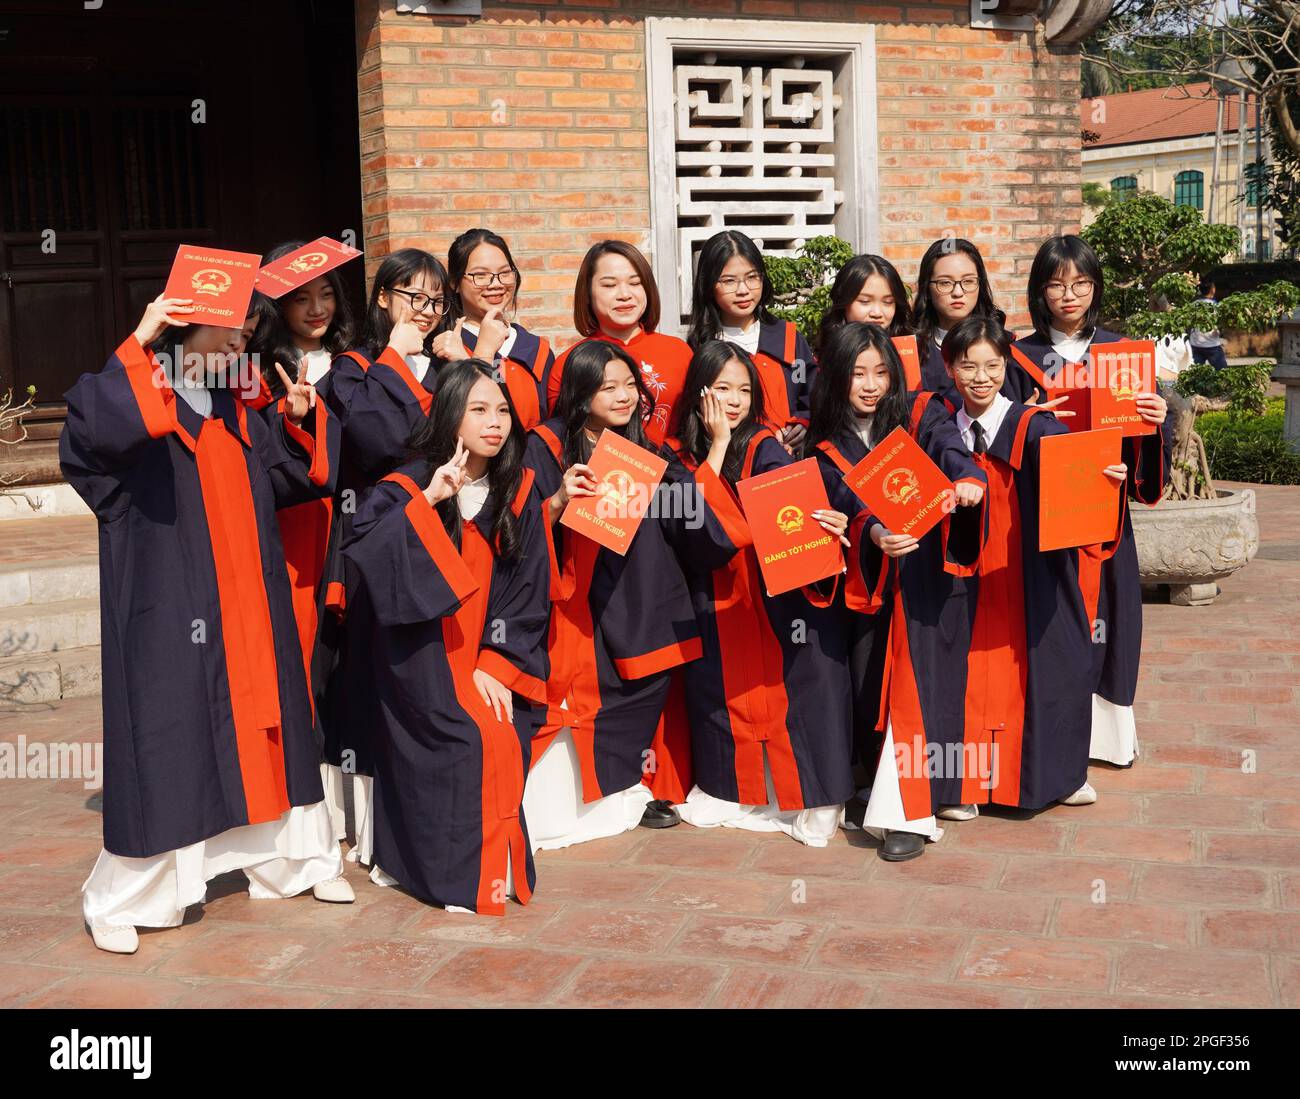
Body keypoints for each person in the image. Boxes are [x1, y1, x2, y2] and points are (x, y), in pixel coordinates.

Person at [61, 293, 354, 954]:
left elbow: (284, 482)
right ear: (180, 328)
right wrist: (139, 338)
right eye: (225, 328)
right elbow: (86, 443)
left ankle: (294, 862)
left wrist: (295, 421)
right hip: (170, 603)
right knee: (173, 742)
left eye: (244, 329)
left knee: (272, 732)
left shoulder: (232, 410)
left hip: (248, 605)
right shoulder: (142, 402)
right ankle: (122, 898)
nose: (238, 341)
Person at [862, 316, 1118, 861]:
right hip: (949, 571)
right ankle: (956, 785)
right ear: (948, 367)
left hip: (1022, 569)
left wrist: (1107, 480)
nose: (981, 377)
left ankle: (1047, 777)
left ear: (1007, 366)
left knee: (1038, 662)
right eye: (967, 365)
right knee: (949, 671)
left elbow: (1080, 491)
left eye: (993, 365)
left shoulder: (1034, 426)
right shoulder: (933, 424)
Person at [342, 360, 551, 914]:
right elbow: (366, 555)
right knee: (467, 740)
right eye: (478, 409)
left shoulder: (521, 488)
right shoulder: (408, 483)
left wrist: (498, 663)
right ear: (450, 414)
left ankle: (491, 869)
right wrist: (429, 500)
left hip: (488, 651)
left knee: (504, 734)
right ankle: (447, 876)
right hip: (422, 653)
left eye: (502, 409)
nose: (495, 421)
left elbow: (529, 587)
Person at [662, 340, 856, 846]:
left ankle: (812, 795)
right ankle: (735, 790)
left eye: (745, 390)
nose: (734, 400)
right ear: (698, 390)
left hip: (773, 596)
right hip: (715, 599)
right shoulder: (673, 453)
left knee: (799, 690)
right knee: (720, 696)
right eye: (722, 387)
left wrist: (823, 519)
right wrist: (718, 446)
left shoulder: (764, 446)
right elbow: (691, 528)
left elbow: (790, 500)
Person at [523, 339, 704, 846]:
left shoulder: (647, 449)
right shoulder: (547, 443)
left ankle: (629, 791)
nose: (624, 396)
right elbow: (517, 523)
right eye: (609, 387)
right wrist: (558, 501)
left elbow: (690, 520)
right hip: (567, 594)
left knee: (642, 683)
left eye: (630, 385)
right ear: (581, 392)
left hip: (634, 591)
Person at [1008, 234, 1170, 767]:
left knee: (1112, 625)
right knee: (1053, 629)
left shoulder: (1120, 354)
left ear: (1095, 287)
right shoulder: (1018, 358)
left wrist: (1152, 425)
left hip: (1106, 515)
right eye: (1055, 284)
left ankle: (1107, 740)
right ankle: (1055, 737)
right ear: (1040, 291)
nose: (1068, 295)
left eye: (1080, 283)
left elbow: (1143, 454)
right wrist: (1025, 416)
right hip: (1045, 518)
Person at [319, 248, 449, 866]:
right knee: (367, 673)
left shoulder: (448, 363)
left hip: (441, 527)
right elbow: (380, 438)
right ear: (383, 298)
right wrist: (397, 358)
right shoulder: (352, 368)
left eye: (435, 300)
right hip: (377, 531)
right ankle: (362, 827)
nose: (424, 310)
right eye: (412, 297)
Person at [804, 323, 968, 787]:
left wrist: (966, 476)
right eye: (858, 374)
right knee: (870, 684)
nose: (871, 385)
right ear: (837, 377)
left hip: (926, 575)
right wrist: (873, 532)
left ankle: (940, 787)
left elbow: (949, 447)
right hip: (868, 586)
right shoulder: (825, 448)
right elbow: (841, 496)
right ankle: (884, 789)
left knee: (934, 684)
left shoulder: (920, 415)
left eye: (881, 372)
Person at [544, 240, 692, 446]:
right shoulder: (570, 362)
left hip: (676, 475)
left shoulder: (679, 352)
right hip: (605, 476)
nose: (625, 295)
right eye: (609, 285)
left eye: (635, 283)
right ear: (587, 293)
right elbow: (563, 439)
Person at [685, 229, 815, 448]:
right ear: (708, 286)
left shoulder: (789, 339)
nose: (743, 290)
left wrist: (804, 421)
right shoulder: (700, 348)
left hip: (790, 462)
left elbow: (806, 387)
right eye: (729, 281)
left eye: (752, 277)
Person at [431, 228, 554, 430]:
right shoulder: (443, 350)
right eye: (480, 275)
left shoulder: (537, 350)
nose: (496, 284)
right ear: (454, 282)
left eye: (505, 273)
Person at [911, 238, 1008, 402]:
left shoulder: (1003, 344)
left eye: (968, 281)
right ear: (927, 287)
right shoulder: (912, 350)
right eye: (945, 283)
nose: (958, 292)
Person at [816, 254, 913, 358]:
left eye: (888, 302)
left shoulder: (913, 354)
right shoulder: (821, 360)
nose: (877, 313)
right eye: (865, 301)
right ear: (843, 302)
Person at [1188, 278, 1229, 371]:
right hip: (1212, 345)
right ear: (1212, 289)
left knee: (1195, 373)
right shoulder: (1215, 306)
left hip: (1195, 344)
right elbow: (1221, 323)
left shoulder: (1193, 304)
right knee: (1223, 373)